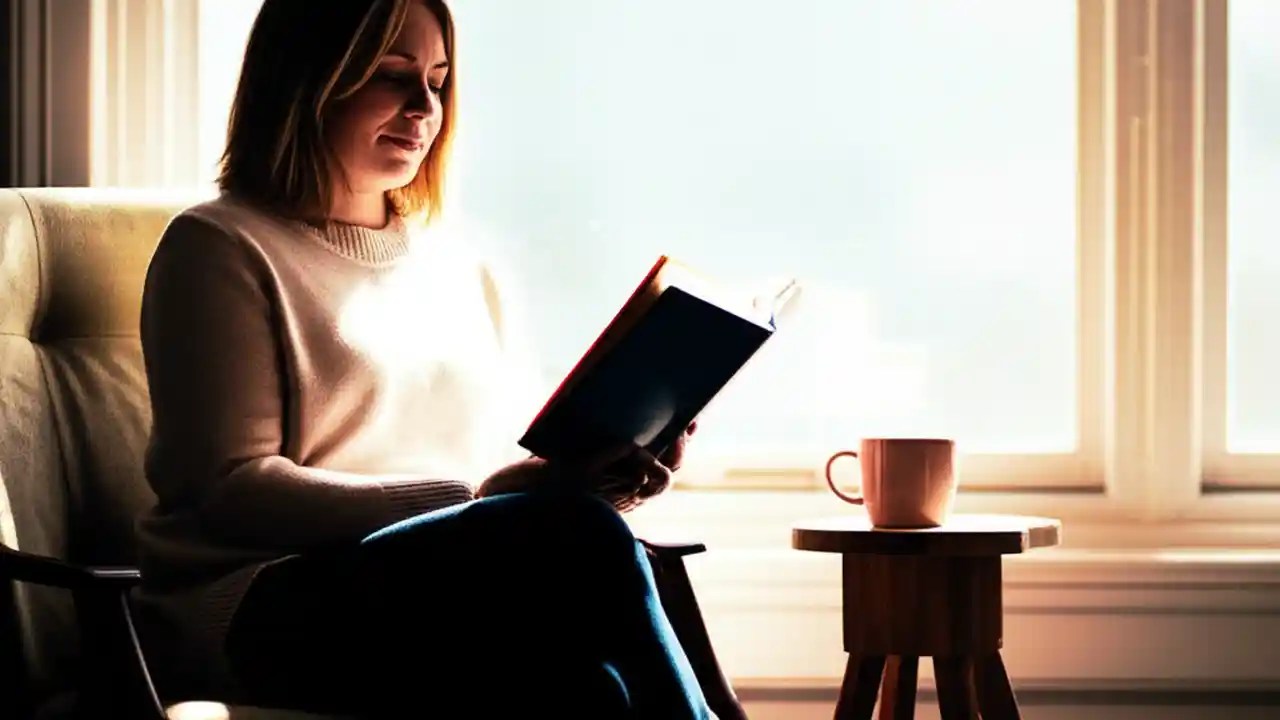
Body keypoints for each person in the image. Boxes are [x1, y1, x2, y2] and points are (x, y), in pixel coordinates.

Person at [128, 1, 724, 717]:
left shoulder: (464, 265)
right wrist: (474, 500)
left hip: (448, 586)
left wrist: (602, 470)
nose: (424, 108)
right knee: (577, 539)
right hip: (267, 601)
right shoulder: (219, 247)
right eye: (392, 76)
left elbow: (513, 471)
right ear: (306, 81)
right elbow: (230, 491)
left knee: (589, 688)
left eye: (439, 82)